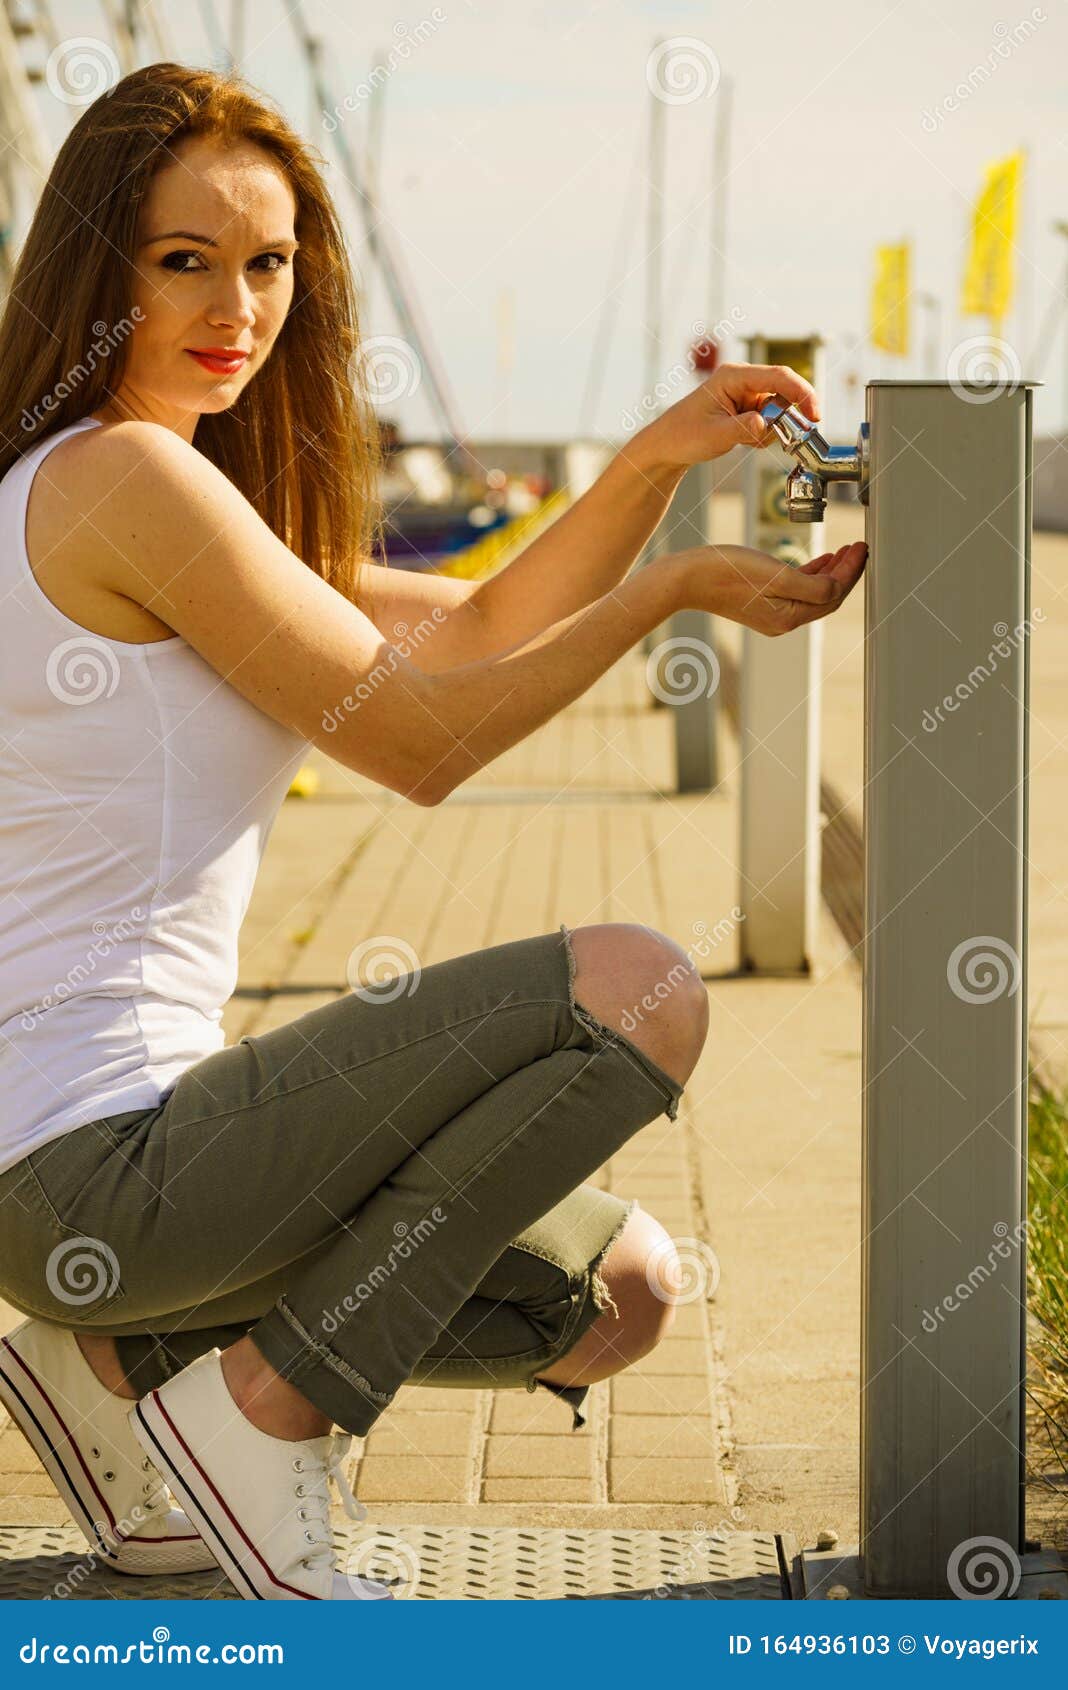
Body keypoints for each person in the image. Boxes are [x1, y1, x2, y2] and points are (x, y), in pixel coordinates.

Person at [0, 64, 867, 1601]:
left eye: (268, 263)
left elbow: (462, 628)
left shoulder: (128, 485)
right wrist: (665, 599)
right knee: (639, 991)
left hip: (111, 1175)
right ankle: (257, 1419)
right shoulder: (121, 481)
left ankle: (110, 1364)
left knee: (616, 1295)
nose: (238, 305)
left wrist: (653, 470)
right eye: (183, 259)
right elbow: (421, 746)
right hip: (93, 1162)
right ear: (94, 264)